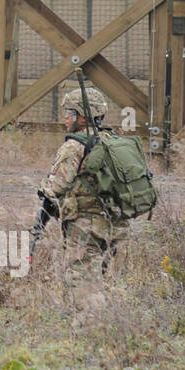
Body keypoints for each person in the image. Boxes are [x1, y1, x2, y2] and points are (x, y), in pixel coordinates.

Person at [36, 86, 126, 283]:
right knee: (106, 281)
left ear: (83, 116)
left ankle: (88, 314)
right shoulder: (113, 141)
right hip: (116, 224)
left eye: (70, 113)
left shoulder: (73, 146)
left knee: (81, 283)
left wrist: (44, 191)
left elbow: (55, 189)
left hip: (86, 227)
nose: (66, 118)